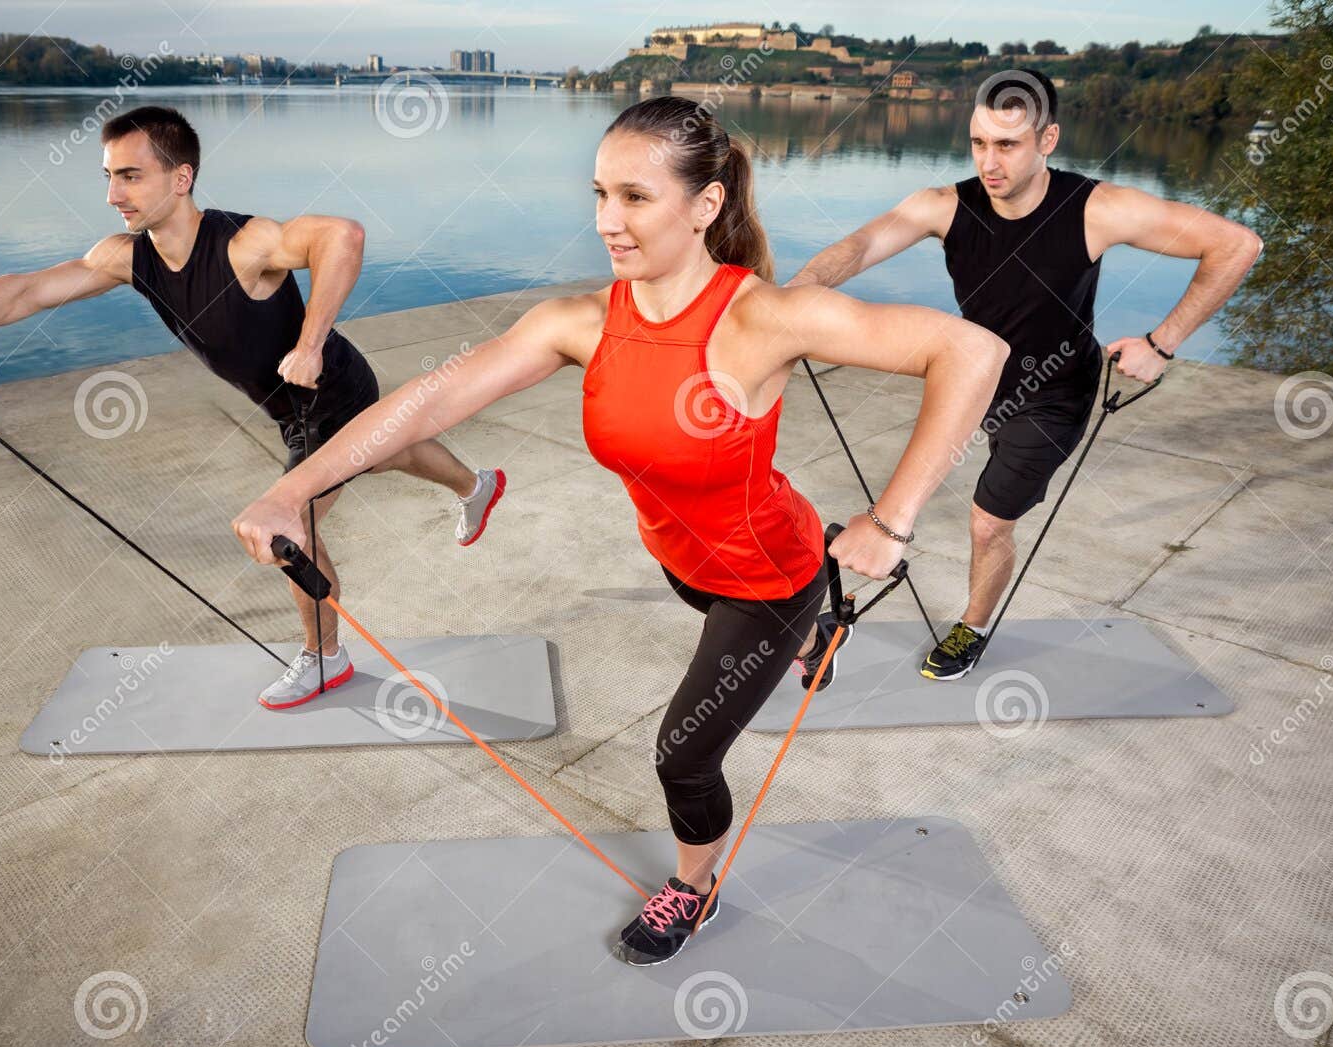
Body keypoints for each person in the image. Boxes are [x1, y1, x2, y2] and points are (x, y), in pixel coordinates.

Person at [232, 96, 1005, 966]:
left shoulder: (763, 319)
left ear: (705, 206)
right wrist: (292, 489)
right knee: (710, 609)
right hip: (683, 561)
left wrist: (891, 520)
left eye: (635, 198)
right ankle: (808, 619)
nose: (608, 221)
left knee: (683, 754)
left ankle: (697, 884)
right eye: (600, 194)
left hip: (765, 575)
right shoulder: (583, 323)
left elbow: (973, 353)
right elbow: (425, 402)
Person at [0, 105, 506, 710]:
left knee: (289, 526)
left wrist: (310, 342)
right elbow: (24, 292)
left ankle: (324, 658)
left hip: (328, 391)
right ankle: (477, 485)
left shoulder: (245, 246)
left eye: (132, 176)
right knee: (384, 451)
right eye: (110, 177)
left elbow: (344, 234)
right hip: (294, 407)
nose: (114, 195)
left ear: (182, 176)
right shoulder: (128, 257)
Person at [788, 69, 1262, 680]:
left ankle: (973, 628)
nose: (989, 161)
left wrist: (1161, 343)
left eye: (1007, 145)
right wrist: (797, 295)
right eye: (979, 143)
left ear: (1048, 140)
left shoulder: (1097, 209)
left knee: (988, 522)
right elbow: (859, 246)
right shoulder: (944, 205)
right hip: (978, 382)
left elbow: (1236, 245)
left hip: (1053, 394)